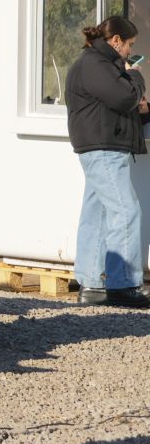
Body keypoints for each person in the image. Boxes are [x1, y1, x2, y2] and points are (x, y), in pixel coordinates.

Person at [66, 16, 149, 309]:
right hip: (103, 147)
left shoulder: (96, 64)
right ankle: (123, 284)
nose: (129, 51)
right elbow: (125, 98)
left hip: (100, 145)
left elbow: (115, 104)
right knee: (126, 212)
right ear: (116, 41)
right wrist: (136, 77)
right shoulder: (95, 65)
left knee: (98, 213)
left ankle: (91, 284)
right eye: (129, 45)